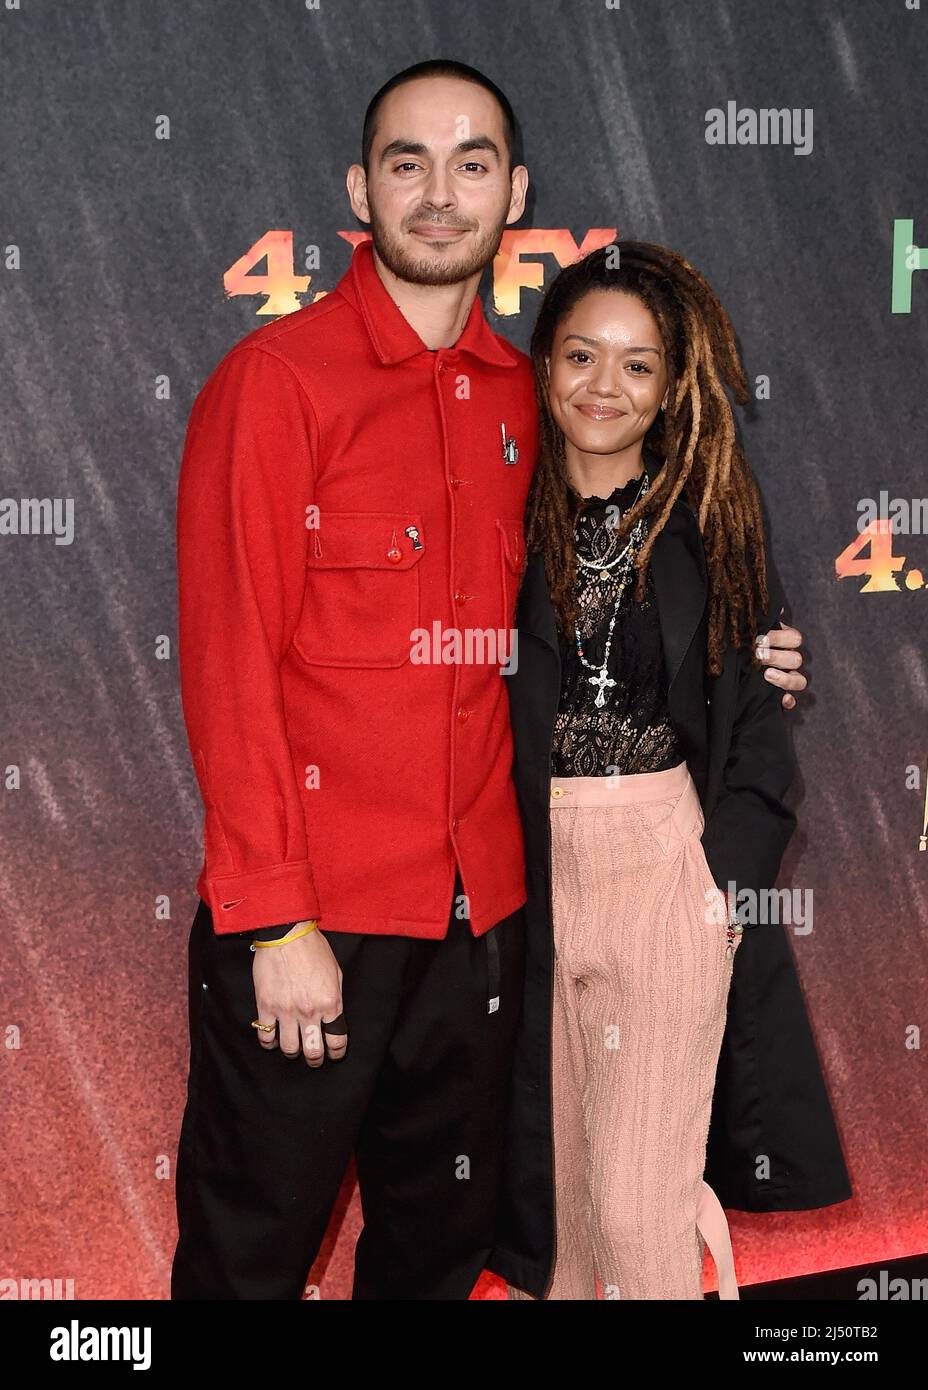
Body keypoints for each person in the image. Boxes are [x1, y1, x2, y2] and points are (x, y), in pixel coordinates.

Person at [171, 59, 810, 1301]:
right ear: (360, 188)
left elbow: (640, 587)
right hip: (320, 923)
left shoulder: (532, 397)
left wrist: (751, 665)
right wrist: (270, 918)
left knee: (435, 1258)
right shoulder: (277, 384)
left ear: (513, 192)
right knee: (249, 1256)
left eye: (471, 164)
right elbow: (227, 662)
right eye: (406, 162)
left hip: (486, 930)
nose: (438, 192)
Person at [494, 243, 852, 1301]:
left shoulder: (716, 526)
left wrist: (716, 896)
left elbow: (759, 748)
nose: (605, 388)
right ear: (542, 365)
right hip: (525, 879)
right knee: (552, 1216)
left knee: (638, 1208)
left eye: (637, 366)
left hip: (663, 866)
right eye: (581, 356)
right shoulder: (493, 519)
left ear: (669, 388)